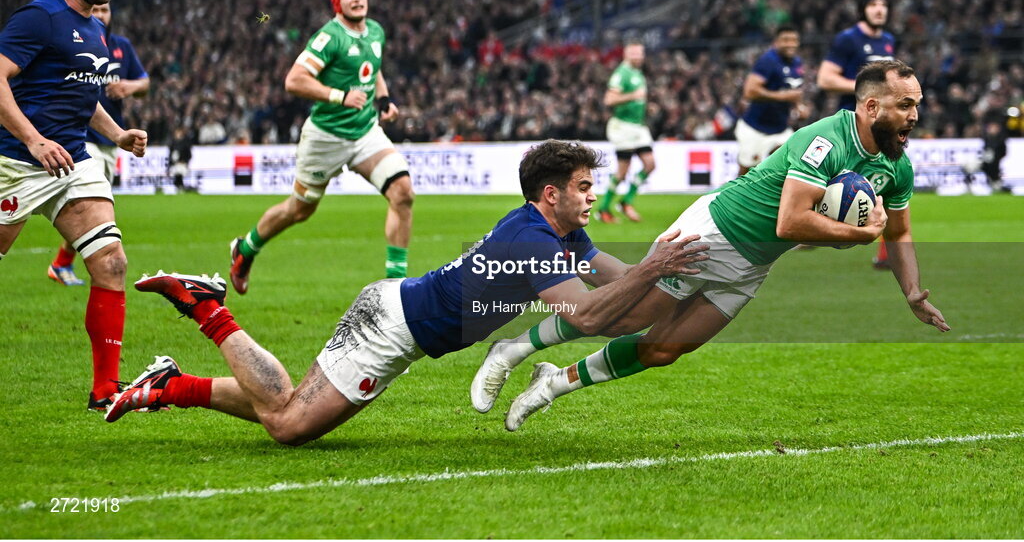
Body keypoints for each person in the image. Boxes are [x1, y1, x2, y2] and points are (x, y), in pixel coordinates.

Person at [104, 140, 709, 445]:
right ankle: (205, 308)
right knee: (289, 424)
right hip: (390, 326)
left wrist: (674, 282)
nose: (590, 197)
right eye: (582, 187)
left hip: (404, 325)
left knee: (288, 409)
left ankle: (168, 385)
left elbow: (615, 277)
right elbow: (591, 314)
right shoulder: (532, 238)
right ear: (550, 193)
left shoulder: (563, 234)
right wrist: (654, 271)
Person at [481, 61, 949, 432]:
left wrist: (911, 290)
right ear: (870, 107)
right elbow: (790, 222)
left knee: (662, 350)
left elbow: (899, 232)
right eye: (905, 105)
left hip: (752, 265)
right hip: (716, 233)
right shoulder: (826, 139)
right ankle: (512, 348)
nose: (914, 114)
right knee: (628, 315)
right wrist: (859, 234)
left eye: (916, 104)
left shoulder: (896, 167)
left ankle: (551, 384)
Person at [0, 0, 148, 410]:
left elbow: (83, 96)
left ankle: (106, 389)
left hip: (72, 161)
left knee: (112, 262)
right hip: (17, 161)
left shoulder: (97, 28)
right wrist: (33, 138)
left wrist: (117, 135)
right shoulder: (40, 17)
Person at [229, 0, 414, 294]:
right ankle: (245, 249)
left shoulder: (375, 31)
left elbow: (373, 65)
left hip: (364, 133)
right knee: (299, 209)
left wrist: (383, 99)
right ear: (337, 3)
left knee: (403, 192)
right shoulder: (329, 37)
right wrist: (338, 96)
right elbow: (294, 80)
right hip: (325, 137)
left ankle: (394, 288)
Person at [46, 2, 149, 286]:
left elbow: (145, 83)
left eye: (106, 11)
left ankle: (62, 264)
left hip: (111, 137)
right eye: (97, 11)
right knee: (91, 205)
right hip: (81, 136)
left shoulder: (121, 47)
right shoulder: (76, 41)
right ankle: (66, 264)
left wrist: (130, 87)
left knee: (90, 208)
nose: (102, 16)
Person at [817, 0, 896, 268]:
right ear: (862, 9)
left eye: (883, 4)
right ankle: (806, 228)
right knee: (827, 181)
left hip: (880, 126)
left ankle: (886, 255)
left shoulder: (888, 41)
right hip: (849, 125)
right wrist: (866, 89)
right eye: (873, 5)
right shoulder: (848, 39)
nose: (879, 10)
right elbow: (825, 78)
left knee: (886, 181)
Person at [735, 25, 806, 176]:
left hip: (780, 129)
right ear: (776, 42)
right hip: (755, 128)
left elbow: (793, 91)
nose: (790, 44)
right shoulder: (767, 61)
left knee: (793, 163)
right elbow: (749, 91)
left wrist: (799, 107)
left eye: (794, 40)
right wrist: (782, 96)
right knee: (745, 173)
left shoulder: (797, 63)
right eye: (785, 40)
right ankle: (731, 198)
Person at [596, 42, 655, 223]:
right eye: (634, 53)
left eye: (640, 53)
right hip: (622, 127)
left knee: (650, 164)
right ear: (625, 54)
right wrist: (633, 97)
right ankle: (604, 209)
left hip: (638, 126)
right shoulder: (622, 74)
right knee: (623, 171)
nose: (638, 56)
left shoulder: (637, 72)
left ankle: (626, 201)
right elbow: (609, 99)